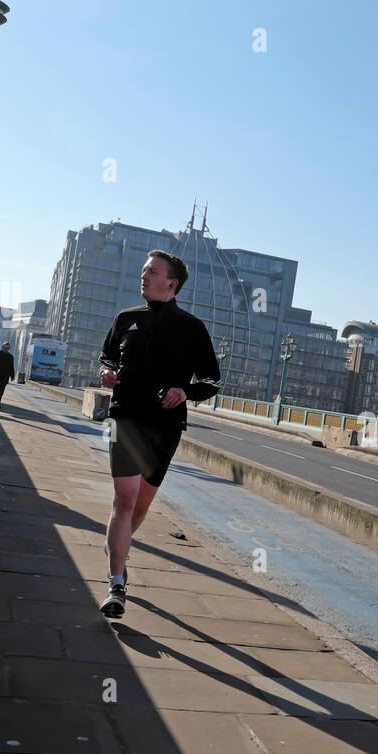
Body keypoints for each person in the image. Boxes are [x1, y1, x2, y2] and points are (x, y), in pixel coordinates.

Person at [97, 250, 220, 618]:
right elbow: (107, 359)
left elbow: (211, 380)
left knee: (140, 505)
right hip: (126, 418)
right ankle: (116, 583)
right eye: (143, 271)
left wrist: (186, 392)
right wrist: (108, 375)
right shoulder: (126, 318)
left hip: (165, 426)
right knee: (124, 499)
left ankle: (118, 546)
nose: (144, 276)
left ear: (172, 283)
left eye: (151, 272)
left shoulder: (193, 328)